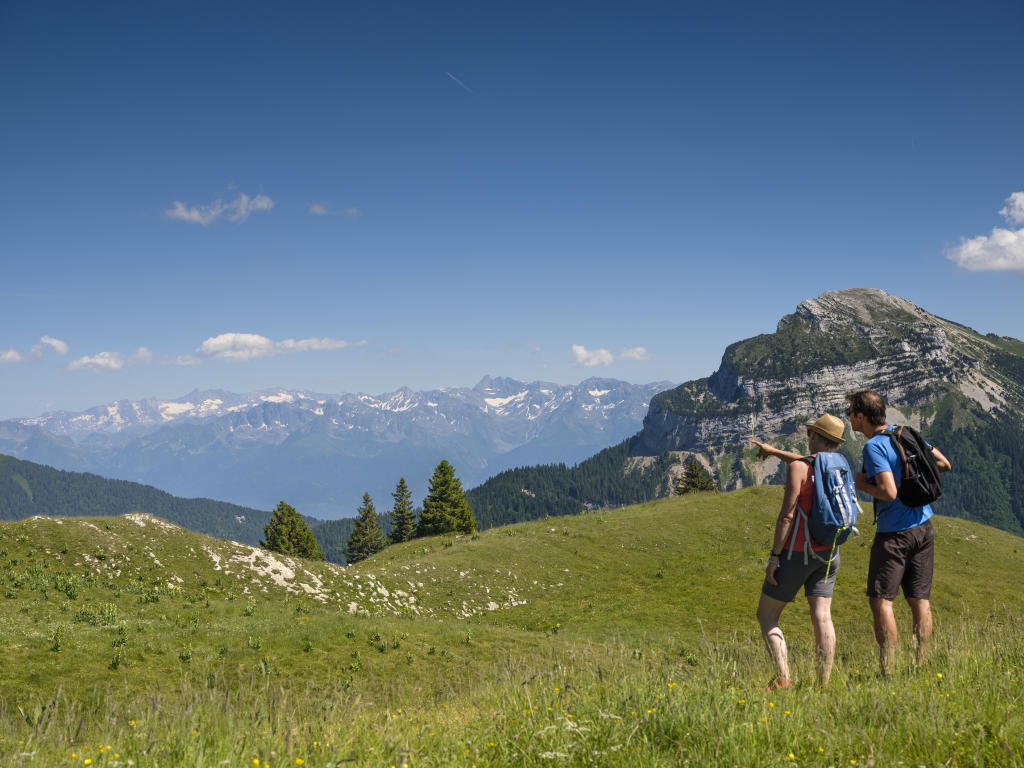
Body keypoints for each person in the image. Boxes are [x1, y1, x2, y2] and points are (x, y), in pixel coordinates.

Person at [846, 390, 952, 675]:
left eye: (850, 414)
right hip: (924, 526)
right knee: (919, 599)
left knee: (881, 601)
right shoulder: (905, 433)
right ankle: (920, 665)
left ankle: (888, 670)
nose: (849, 419)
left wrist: (862, 485)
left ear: (860, 416)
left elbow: (889, 492)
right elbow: (944, 464)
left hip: (894, 533)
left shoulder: (874, 446)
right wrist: (912, 480)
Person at [752, 413, 848, 689]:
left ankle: (783, 678)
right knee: (822, 616)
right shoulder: (840, 464)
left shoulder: (799, 468)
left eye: (809, 433)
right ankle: (823, 684)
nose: (807, 437)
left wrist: (774, 557)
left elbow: (787, 516)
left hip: (797, 552)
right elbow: (805, 461)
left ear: (815, 436)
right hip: (829, 552)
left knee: (767, 615)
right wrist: (774, 452)